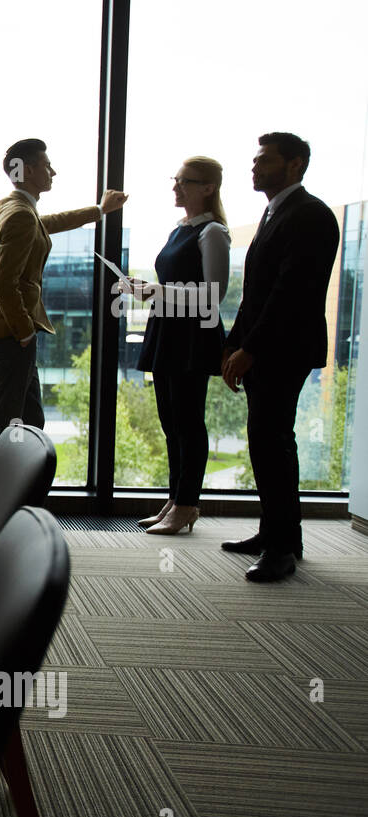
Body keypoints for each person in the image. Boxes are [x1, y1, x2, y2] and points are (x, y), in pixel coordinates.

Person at [220, 133, 340, 582]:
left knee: (273, 442)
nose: (255, 168)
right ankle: (276, 533)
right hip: (265, 346)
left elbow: (292, 294)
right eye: (255, 161)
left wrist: (251, 348)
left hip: (284, 349)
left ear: (296, 165)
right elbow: (255, 295)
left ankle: (283, 547)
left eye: (265, 161)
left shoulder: (310, 215)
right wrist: (233, 343)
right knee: (266, 441)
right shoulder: (275, 213)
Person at [0, 138, 127, 468]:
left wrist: (100, 211)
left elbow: (49, 223)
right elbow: (5, 283)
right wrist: (25, 332)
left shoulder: (11, 207)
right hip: (12, 334)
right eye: (47, 166)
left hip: (5, 332)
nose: (53, 171)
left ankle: (21, 493)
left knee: (31, 417)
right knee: (5, 422)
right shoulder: (20, 215)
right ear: (28, 170)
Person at [122, 157, 230, 535]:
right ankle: (176, 499)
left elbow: (213, 295)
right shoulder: (180, 229)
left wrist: (156, 291)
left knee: (188, 422)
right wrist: (146, 290)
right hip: (169, 332)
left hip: (192, 338)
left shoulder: (212, 232)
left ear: (208, 188)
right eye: (176, 180)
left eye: (186, 182)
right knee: (171, 422)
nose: (176, 188)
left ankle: (186, 504)